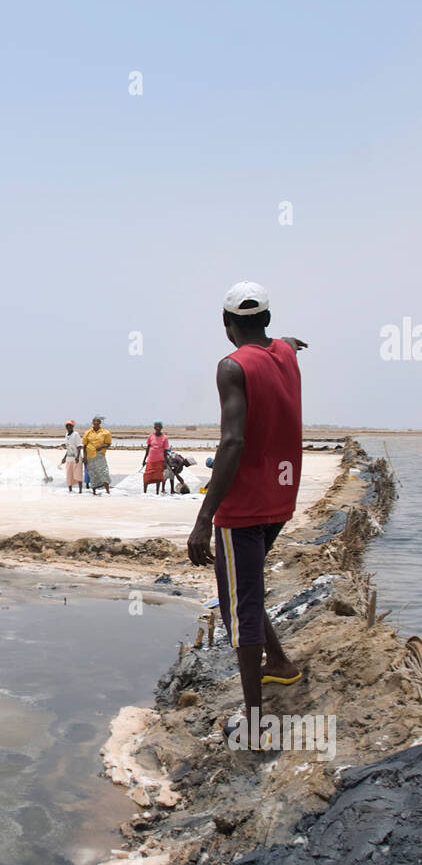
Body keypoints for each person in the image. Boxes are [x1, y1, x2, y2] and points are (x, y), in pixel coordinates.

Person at [186, 282, 307, 752]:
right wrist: (292, 342)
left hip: (244, 508)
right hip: (282, 495)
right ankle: (279, 663)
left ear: (225, 323)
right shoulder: (285, 354)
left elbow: (232, 442)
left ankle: (254, 726)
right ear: (269, 321)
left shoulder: (231, 367)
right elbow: (289, 343)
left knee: (240, 609)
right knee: (248, 587)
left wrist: (204, 519)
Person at [81, 416, 112, 494]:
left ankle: (107, 491)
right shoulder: (87, 432)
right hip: (89, 456)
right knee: (92, 473)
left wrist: (101, 446)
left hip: (100, 455)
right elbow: (84, 446)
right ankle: (94, 492)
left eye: (98, 422)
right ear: (92, 422)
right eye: (94, 422)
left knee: (104, 472)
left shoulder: (105, 432)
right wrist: (84, 457)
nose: (96, 423)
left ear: (100, 423)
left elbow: (108, 444)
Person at [142, 421, 170, 493]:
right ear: (154, 428)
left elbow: (165, 451)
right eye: (156, 427)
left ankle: (157, 492)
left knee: (158, 477)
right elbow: (148, 448)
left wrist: (165, 462)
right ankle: (144, 492)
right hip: (150, 460)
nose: (157, 428)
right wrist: (144, 459)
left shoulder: (165, 438)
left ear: (161, 428)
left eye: (159, 427)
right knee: (147, 476)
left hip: (160, 460)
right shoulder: (151, 436)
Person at [60, 419, 83, 492]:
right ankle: (70, 490)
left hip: (76, 458)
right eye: (67, 426)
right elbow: (68, 448)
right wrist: (64, 458)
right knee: (69, 474)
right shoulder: (66, 435)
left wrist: (77, 457)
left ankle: (80, 491)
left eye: (70, 425)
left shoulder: (76, 434)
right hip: (69, 458)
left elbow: (79, 447)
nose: (68, 427)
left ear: (73, 426)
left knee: (78, 474)